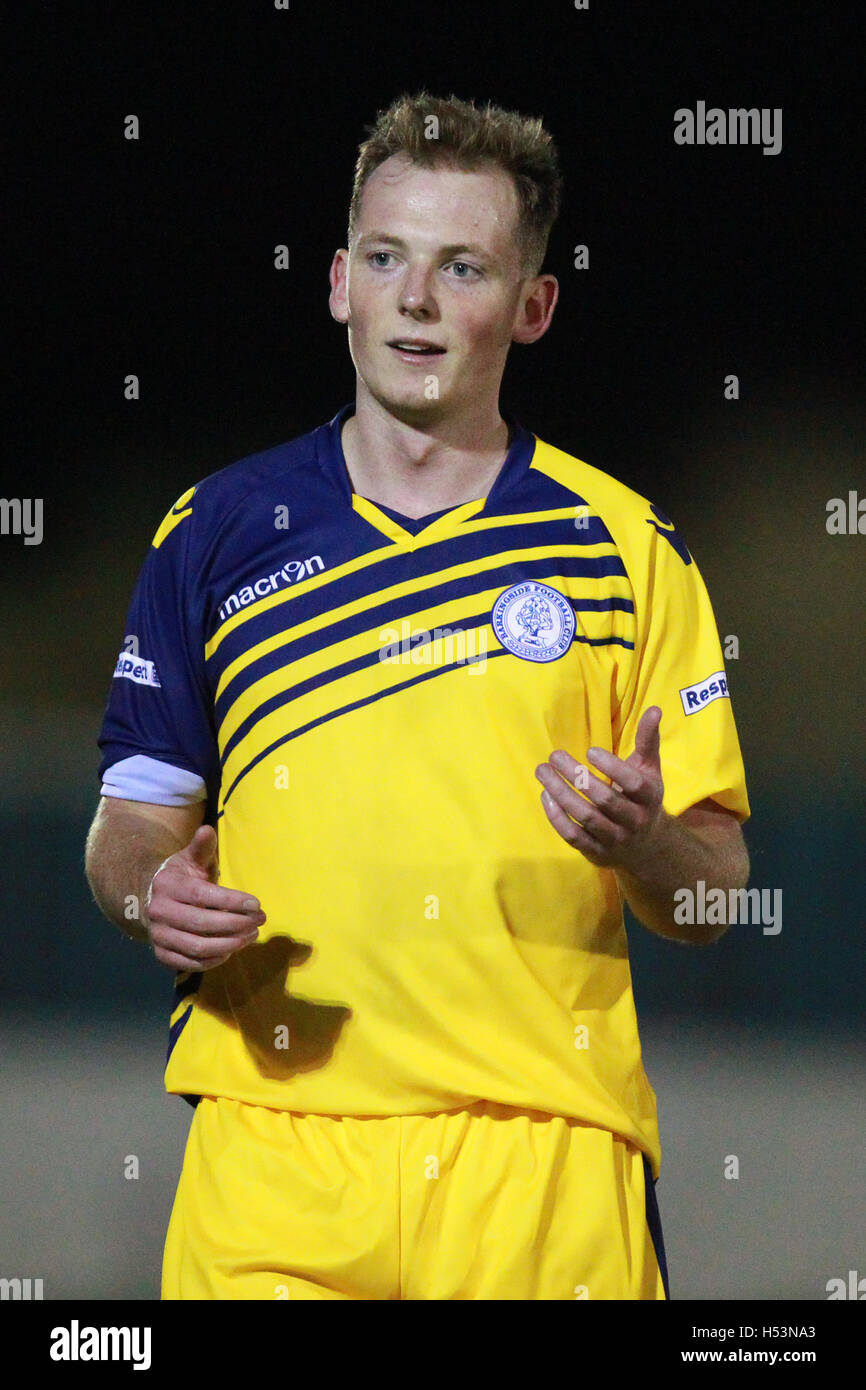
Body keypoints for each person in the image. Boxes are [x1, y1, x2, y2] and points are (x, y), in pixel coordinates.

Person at [85, 90, 750, 1301]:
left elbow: (712, 895)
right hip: (270, 1149)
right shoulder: (211, 533)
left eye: (462, 267)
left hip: (542, 1162)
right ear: (339, 281)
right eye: (387, 258)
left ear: (532, 305)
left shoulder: (625, 549)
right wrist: (149, 897)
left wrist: (643, 837)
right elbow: (131, 827)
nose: (416, 299)